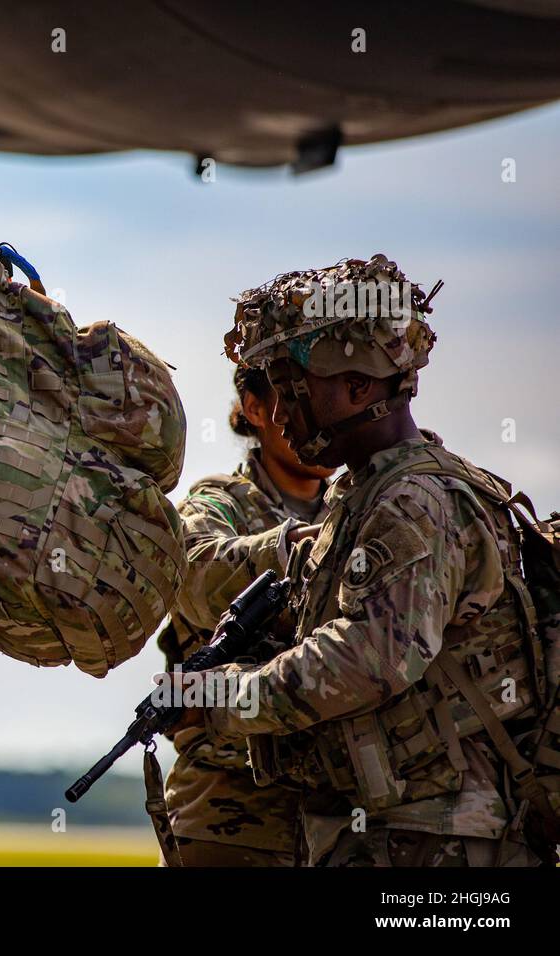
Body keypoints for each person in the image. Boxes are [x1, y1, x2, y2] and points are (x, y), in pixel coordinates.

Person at [191, 253, 555, 866]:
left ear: (359, 386)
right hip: (401, 833)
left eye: (292, 392)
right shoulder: (364, 492)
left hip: (437, 841)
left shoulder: (411, 501)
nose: (279, 415)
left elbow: (371, 657)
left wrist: (224, 698)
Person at [156, 366, 332, 865]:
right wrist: (293, 550)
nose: (316, 417)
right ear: (255, 408)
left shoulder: (359, 507)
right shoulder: (219, 502)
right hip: (232, 814)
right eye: (294, 399)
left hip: (346, 818)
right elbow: (191, 575)